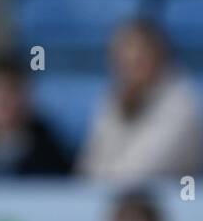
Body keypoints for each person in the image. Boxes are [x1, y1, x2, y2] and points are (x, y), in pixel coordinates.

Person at [78, 19, 202, 182]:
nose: (129, 70)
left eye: (139, 61)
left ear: (160, 56)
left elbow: (138, 173)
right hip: (116, 200)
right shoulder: (114, 97)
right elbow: (88, 168)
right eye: (122, 62)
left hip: (175, 204)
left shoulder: (185, 103)